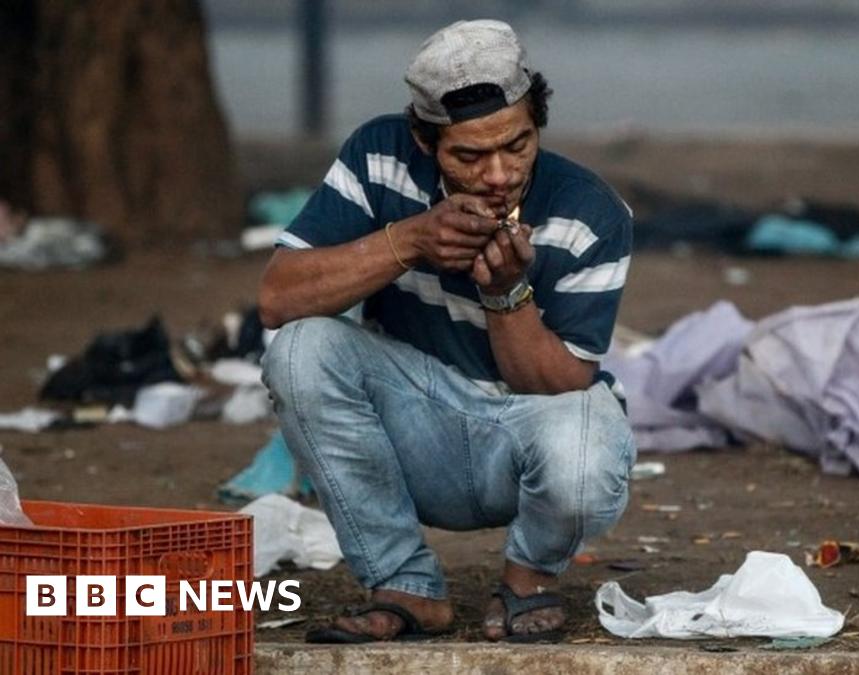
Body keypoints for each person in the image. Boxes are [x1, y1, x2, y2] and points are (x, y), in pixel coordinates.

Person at [258, 19, 635, 643]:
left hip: (525, 429)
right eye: (469, 155)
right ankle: (404, 584)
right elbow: (277, 298)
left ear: (537, 121)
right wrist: (408, 240)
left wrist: (506, 293)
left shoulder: (592, 212)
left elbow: (562, 383)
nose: (497, 175)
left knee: (591, 433)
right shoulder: (379, 156)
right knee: (301, 350)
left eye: (517, 145)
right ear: (424, 141)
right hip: (414, 420)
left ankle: (528, 580)